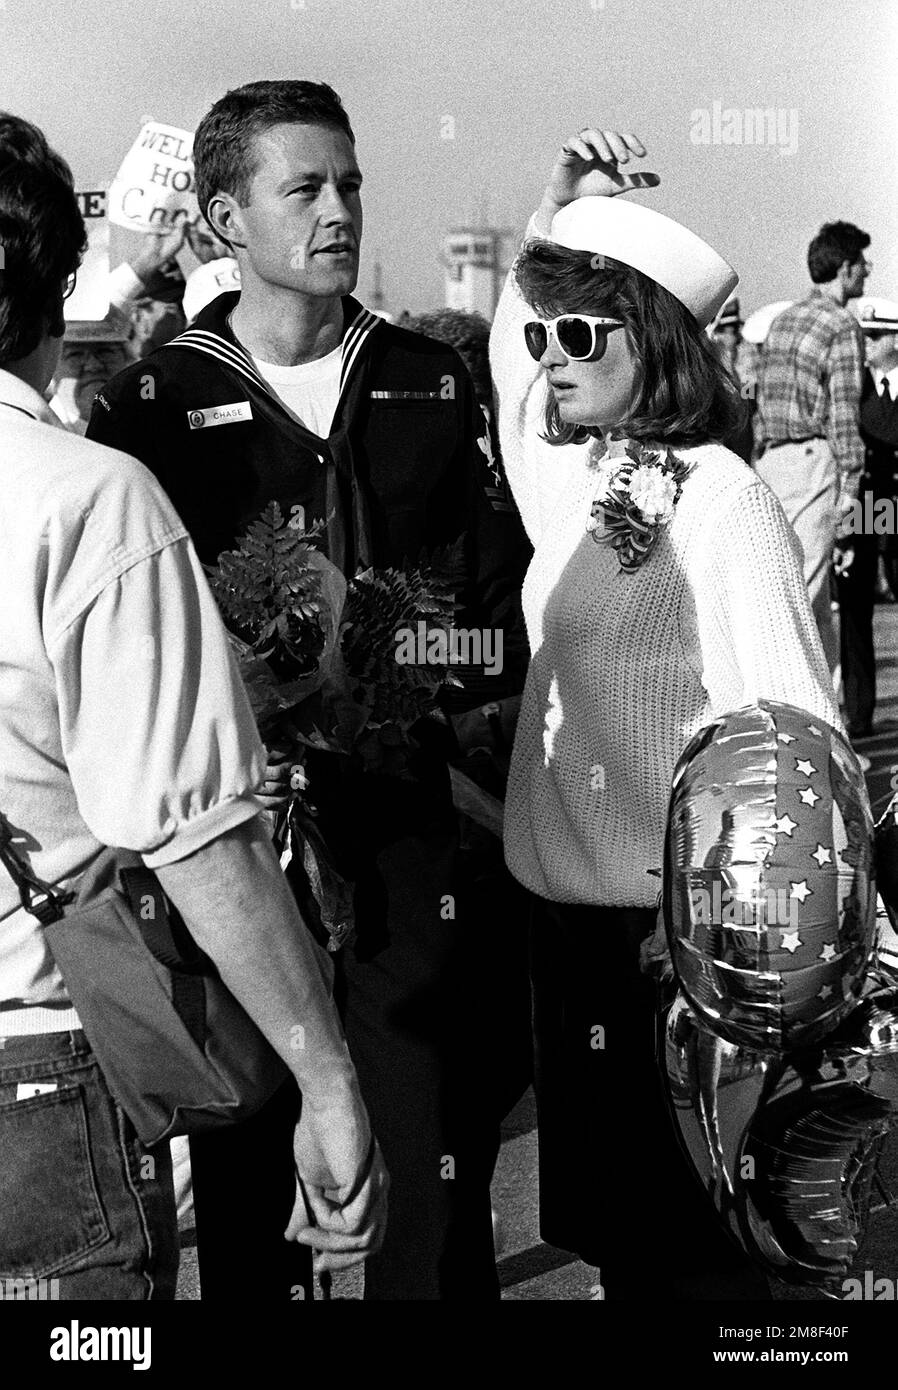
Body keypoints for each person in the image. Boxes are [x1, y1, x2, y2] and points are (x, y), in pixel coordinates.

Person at [87, 79, 530, 1301]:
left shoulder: (431, 384)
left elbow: (501, 637)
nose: (337, 211)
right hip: (222, 858)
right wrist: (241, 700)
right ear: (224, 220)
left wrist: (373, 670)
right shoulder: (143, 410)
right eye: (305, 189)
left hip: (400, 844)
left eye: (350, 185)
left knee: (427, 1196)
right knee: (245, 1198)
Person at [0, 112, 386, 1300]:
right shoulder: (84, 499)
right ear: (57, 280)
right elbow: (195, 833)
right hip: (36, 1070)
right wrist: (325, 1076)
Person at [489, 125, 842, 1300]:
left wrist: (732, 940)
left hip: (666, 959)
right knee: (621, 1242)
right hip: (571, 944)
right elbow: (507, 372)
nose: (550, 358)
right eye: (544, 333)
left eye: (579, 333)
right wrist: (553, 206)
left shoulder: (723, 499)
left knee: (690, 1257)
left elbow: (794, 731)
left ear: (651, 336)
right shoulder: (590, 474)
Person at [754, 221, 870, 677]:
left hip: (771, 462)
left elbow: (762, 404)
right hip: (812, 462)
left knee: (798, 595)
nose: (866, 273)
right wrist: (852, 489)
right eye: (863, 264)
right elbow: (843, 417)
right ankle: (799, 715)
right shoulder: (841, 326)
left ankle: (824, 724)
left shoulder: (784, 319)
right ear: (845, 269)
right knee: (802, 597)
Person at [835, 297, 898, 739]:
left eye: (874, 337)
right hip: (864, 503)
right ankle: (859, 714)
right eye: (863, 337)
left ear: (895, 339)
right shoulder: (853, 387)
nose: (866, 346)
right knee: (854, 607)